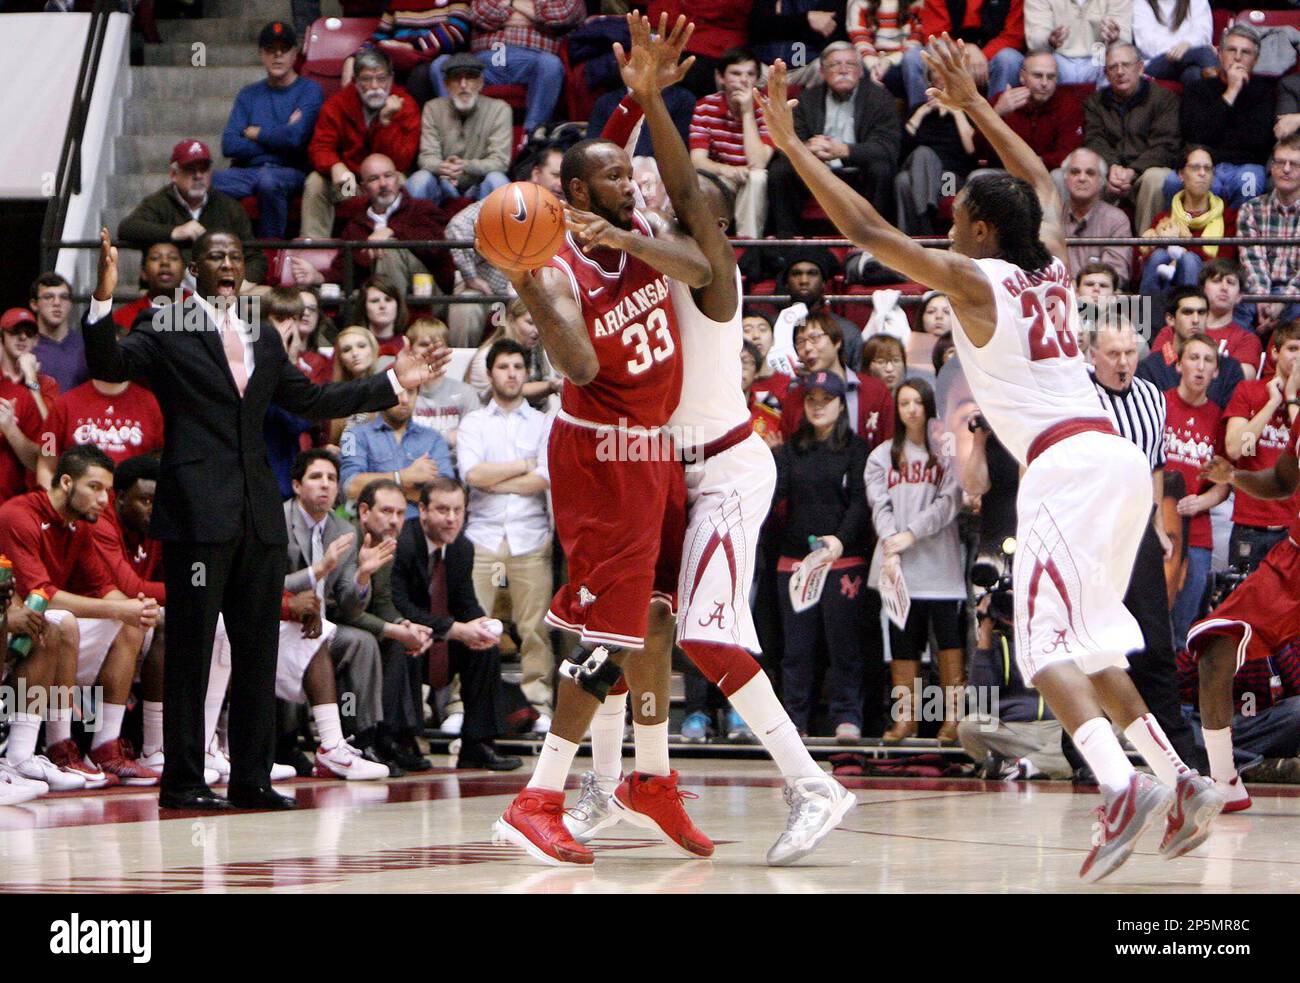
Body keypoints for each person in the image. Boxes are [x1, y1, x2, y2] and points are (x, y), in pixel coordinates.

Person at [756, 36, 1222, 880]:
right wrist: (974, 104)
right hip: (1114, 457)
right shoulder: (1045, 262)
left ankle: (1119, 787)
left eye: (959, 210)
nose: (950, 219)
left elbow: (864, 226)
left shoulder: (978, 280)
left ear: (978, 228)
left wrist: (789, 147)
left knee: (1040, 647)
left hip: (1065, 467)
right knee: (1093, 650)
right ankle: (1177, 777)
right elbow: (1040, 182)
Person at [561, 18, 857, 867]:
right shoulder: (638, 261)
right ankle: (612, 781)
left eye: (667, 201)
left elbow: (686, 196)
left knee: (707, 636)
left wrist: (662, 113)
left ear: (709, 225)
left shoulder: (714, 272)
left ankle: (814, 784)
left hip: (727, 466)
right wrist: (640, 98)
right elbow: (591, 176)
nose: (649, 199)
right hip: (664, 469)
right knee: (628, 622)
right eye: (641, 197)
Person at [82, 226, 449, 811]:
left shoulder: (260, 332)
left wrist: (393, 379)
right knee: (192, 651)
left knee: (257, 649)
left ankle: (252, 777)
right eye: (214, 256)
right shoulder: (167, 323)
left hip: (259, 514)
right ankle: (182, 780)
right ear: (194, 268)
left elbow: (310, 401)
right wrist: (102, 300)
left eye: (234, 255)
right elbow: (110, 359)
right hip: (199, 514)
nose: (226, 264)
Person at [490, 119, 715, 861]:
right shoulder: (556, 269)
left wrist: (645, 98)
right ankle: (538, 795)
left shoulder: (637, 226)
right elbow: (582, 366)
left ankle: (650, 777)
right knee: (610, 631)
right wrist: (533, 294)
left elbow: (701, 268)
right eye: (617, 176)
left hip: (652, 447)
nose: (634, 183)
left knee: (654, 615)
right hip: (599, 455)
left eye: (632, 173)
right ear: (580, 190)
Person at [1087, 320, 1213, 775]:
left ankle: (1179, 754)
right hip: (1089, 534)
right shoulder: (1078, 397)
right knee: (1092, 645)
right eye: (1113, 354)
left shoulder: (1150, 397)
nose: (1123, 362)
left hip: (1136, 530)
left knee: (1154, 643)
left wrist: (1159, 524)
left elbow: (1156, 464)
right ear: (1093, 356)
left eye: (1129, 353)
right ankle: (1087, 753)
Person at [0, 445, 160, 788]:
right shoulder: (20, 515)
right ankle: (52, 748)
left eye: (108, 490)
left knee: (128, 626)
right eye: (95, 487)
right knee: (60, 622)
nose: (104, 500)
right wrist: (120, 607)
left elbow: (103, 587)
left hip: (39, 628)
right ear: (67, 482)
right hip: (17, 624)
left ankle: (104, 748)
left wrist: (137, 609)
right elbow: (42, 596)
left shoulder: (80, 525)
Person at [1189, 420, 1300, 812]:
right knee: (1215, 648)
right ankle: (1225, 781)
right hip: (1293, 561)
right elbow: (1284, 481)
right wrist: (1234, 476)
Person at [391, 477, 521, 770]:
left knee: (484, 648)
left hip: (441, 635)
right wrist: (454, 630)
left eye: (457, 511)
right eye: (442, 510)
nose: (451, 519)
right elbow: (400, 605)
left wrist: (480, 624)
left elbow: (464, 600)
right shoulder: (404, 542)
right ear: (422, 510)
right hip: (409, 629)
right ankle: (403, 741)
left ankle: (478, 744)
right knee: (404, 643)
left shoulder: (462, 547)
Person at [457, 339, 555, 725]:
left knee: (534, 629)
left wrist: (496, 479)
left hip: (530, 536)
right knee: (471, 626)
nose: (512, 373)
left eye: (518, 366)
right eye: (503, 367)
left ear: (527, 373)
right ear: (491, 374)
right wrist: (523, 464)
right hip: (481, 536)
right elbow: (472, 475)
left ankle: (539, 703)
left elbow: (545, 479)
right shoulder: (474, 422)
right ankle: (462, 706)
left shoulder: (544, 422)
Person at [773, 372, 874, 740]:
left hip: (842, 561)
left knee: (844, 645)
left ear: (840, 404)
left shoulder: (856, 449)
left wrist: (841, 541)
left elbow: (861, 501)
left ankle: (848, 714)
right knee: (796, 649)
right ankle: (793, 719)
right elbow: (776, 496)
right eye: (811, 399)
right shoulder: (789, 450)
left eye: (826, 399)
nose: (818, 406)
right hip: (795, 561)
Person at [282, 449, 397, 771]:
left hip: (325, 624)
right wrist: (320, 569)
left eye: (332, 479)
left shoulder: (344, 530)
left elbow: (347, 604)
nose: (326, 485)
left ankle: (363, 737)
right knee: (301, 642)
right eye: (316, 477)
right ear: (296, 485)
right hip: (281, 621)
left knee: (361, 642)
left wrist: (362, 575)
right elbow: (266, 584)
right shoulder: (278, 520)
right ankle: (287, 741)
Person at [866, 377, 965, 741]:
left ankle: (952, 718)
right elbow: (880, 504)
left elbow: (949, 503)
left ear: (929, 407)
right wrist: (893, 540)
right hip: (899, 567)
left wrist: (912, 533)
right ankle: (906, 719)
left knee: (949, 644)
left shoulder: (949, 454)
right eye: (904, 403)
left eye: (917, 403)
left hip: (941, 566)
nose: (911, 410)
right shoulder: (880, 456)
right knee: (903, 644)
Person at [339, 477, 435, 772]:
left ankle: (394, 735)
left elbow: (382, 601)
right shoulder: (347, 539)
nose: (395, 520)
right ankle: (366, 737)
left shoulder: (386, 545)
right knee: (378, 641)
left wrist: (403, 623)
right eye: (387, 512)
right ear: (365, 511)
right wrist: (393, 629)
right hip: (332, 622)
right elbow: (342, 610)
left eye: (400, 513)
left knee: (406, 643)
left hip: (359, 622)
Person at [766, 42, 902, 238]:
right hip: (817, 173)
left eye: (851, 64)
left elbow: (888, 148)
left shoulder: (880, 99)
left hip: (859, 173)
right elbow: (787, 141)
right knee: (780, 170)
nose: (843, 70)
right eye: (835, 65)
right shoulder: (807, 99)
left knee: (881, 168)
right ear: (822, 72)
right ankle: (787, 244)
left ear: (861, 72)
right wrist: (808, 149)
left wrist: (843, 150)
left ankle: (878, 243)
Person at [443, 145, 565, 347]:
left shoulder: (566, 211)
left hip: (537, 297)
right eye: (555, 175)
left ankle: (551, 375)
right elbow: (458, 226)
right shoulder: (512, 199)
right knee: (467, 304)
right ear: (536, 173)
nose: (560, 184)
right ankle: (461, 365)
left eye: (564, 178)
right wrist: (470, 277)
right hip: (494, 293)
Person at [212, 21, 324, 239]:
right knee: (204, 182)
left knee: (269, 182)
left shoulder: (309, 90)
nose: (277, 56)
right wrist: (282, 134)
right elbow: (229, 144)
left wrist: (255, 133)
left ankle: (271, 252)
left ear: (295, 53)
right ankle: (218, 251)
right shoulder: (249, 94)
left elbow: (296, 139)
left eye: (284, 50)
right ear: (261, 54)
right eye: (270, 50)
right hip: (247, 172)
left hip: (291, 171)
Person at [299, 156, 455, 305]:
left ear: (398, 179)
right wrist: (318, 276)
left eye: (388, 176)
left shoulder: (422, 208)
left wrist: (393, 231)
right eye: (374, 179)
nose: (383, 183)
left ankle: (393, 325)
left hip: (427, 298)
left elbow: (439, 247)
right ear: (363, 187)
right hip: (376, 301)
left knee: (389, 250)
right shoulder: (356, 225)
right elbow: (346, 271)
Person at [302, 49, 421, 239]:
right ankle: (315, 248)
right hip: (350, 184)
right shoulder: (338, 104)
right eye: (366, 79)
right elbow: (320, 146)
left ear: (391, 78)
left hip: (383, 182)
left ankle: (392, 245)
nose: (375, 86)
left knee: (404, 182)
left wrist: (386, 123)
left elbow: (402, 162)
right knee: (315, 182)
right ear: (355, 81)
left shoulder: (405, 105)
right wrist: (334, 165)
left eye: (381, 78)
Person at [1161, 334, 1230, 651]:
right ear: (1179, 364)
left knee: (1185, 625)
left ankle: (1183, 698)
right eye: (1193, 358)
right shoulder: (1158, 403)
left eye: (1208, 361)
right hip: (1156, 526)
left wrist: (1203, 500)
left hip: (1198, 533)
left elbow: (1223, 483)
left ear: (1216, 371)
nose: (1200, 367)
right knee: (1152, 620)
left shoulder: (1219, 418)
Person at [118, 141, 267, 286]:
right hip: (172, 290)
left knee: (260, 298)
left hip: (220, 288)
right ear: (174, 175)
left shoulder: (229, 207)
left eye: (204, 169)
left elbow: (255, 257)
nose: (198, 176)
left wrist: (242, 282)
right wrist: (176, 232)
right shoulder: (159, 203)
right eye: (191, 170)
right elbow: (127, 229)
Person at [429, 0, 585, 135]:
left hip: (533, 60)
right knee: (441, 65)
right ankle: (455, 133)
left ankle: (531, 136)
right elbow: (481, 13)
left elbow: (561, 16)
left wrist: (509, 4)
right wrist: (533, 14)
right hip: (485, 63)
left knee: (551, 64)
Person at [1221, 321, 1300, 573]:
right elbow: (1236, 449)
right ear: (1275, 352)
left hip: (1293, 528)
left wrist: (1290, 399)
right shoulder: (1249, 391)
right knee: (1244, 609)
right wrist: (1270, 404)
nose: (1299, 357)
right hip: (1250, 527)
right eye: (1293, 348)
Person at [1082, 42, 1182, 236]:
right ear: (1106, 72)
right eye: (1113, 67)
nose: (1120, 72)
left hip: (1144, 173)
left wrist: (1133, 171)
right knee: (1073, 175)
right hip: (1109, 173)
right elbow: (1094, 140)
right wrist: (1112, 167)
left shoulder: (1164, 99)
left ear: (1140, 68)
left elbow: (1166, 145)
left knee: (1157, 178)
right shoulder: (1094, 102)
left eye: (1126, 65)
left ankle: (1147, 249)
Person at [1175, 25, 1276, 209]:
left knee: (1250, 181)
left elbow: (1259, 141)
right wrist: (1231, 91)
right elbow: (1196, 136)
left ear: (1255, 60)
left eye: (1245, 52)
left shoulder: (1264, 92)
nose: (1238, 57)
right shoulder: (1197, 89)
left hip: (1246, 166)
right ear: (1219, 54)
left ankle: (1244, 237)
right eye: (1231, 50)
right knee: (1172, 182)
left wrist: (1217, 136)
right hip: (1205, 164)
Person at [687, 47, 775, 238]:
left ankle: (748, 245)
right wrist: (725, 170)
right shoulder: (705, 106)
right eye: (736, 73)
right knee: (695, 179)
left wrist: (747, 112)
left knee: (757, 177)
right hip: (721, 177)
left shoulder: (768, 109)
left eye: (750, 74)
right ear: (721, 78)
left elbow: (758, 162)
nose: (744, 80)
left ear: (756, 80)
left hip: (753, 179)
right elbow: (697, 160)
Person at [33, 363, 165, 490]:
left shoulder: (153, 406)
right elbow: (45, 463)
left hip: (132, 507)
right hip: (75, 507)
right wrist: (55, 507)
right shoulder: (63, 405)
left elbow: (164, 464)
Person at [407, 53, 511, 206]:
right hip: (443, 184)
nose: (463, 85)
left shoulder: (499, 109)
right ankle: (410, 228)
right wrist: (443, 167)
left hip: (479, 185)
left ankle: (499, 228)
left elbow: (500, 162)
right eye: (456, 78)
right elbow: (426, 158)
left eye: (470, 77)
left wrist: (464, 165)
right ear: (447, 84)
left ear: (481, 82)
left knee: (498, 180)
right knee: (419, 179)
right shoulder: (433, 108)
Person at [779, 312, 895, 446]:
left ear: (837, 341)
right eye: (800, 342)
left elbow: (889, 446)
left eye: (815, 338)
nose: (807, 348)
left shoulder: (875, 391)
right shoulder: (794, 400)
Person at [340, 386, 454, 518]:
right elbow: (351, 486)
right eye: (398, 392)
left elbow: (446, 495)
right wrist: (404, 477)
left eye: (411, 392)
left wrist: (389, 486)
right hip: (374, 526)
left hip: (421, 526)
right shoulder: (353, 435)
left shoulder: (433, 438)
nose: (405, 399)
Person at [1139, 146, 1236, 298]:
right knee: (1158, 256)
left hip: (1207, 283)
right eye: (1195, 167)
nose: (1202, 173)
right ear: (1181, 174)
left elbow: (1224, 263)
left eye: (1208, 168)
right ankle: (1149, 320)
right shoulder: (1164, 218)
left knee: (1189, 260)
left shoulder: (1227, 217)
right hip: (1165, 286)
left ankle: (1191, 314)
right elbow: (1144, 258)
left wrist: (1184, 248)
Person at [901, 0, 1026, 107]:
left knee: (1010, 59)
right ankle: (922, 123)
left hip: (993, 54)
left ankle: (997, 124)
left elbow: (1014, 35)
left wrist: (983, 55)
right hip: (952, 50)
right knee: (913, 58)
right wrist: (965, 52)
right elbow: (935, 33)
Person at [1137, 287, 1245, 409]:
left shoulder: (1229, 369)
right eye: (1187, 312)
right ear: (1170, 319)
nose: (1195, 320)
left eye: (1201, 313)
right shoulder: (1148, 369)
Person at [1236, 134, 1300, 333]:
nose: (1286, 169)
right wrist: (1262, 299)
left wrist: (1282, 301)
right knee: (1232, 303)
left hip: (1294, 293)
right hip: (1258, 289)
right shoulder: (1251, 209)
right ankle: (1241, 358)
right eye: (1280, 162)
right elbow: (1253, 261)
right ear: (1272, 167)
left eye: (1294, 164)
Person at [981, 50, 1083, 173]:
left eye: (1051, 77)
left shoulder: (1068, 105)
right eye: (1038, 76)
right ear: (1022, 77)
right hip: (1007, 172)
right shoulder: (1002, 100)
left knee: (1060, 176)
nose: (1045, 83)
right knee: (978, 176)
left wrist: (1033, 163)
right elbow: (979, 151)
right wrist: (997, 114)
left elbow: (1068, 155)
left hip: (1048, 173)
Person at [465, 297, 560, 405]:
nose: (537, 331)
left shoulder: (540, 353)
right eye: (530, 323)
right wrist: (550, 386)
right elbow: (505, 392)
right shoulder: (487, 355)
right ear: (511, 320)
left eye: (541, 324)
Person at [1060, 147, 1134, 287]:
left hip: (1100, 300)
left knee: (1130, 304)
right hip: (1060, 299)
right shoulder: (1052, 218)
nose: (1082, 178)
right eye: (1075, 172)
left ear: (1101, 181)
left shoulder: (1117, 220)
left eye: (1090, 173)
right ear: (1065, 178)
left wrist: (1082, 290)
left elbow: (1116, 274)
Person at [0, 309, 53, 501]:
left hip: (24, 495)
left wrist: (31, 380)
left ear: (36, 341)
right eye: (15, 331)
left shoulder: (46, 384)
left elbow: (51, 438)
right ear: (2, 336)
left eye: (29, 333)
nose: (22, 337)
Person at [405, 318, 481, 445]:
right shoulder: (400, 394)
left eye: (438, 344)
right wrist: (447, 438)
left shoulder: (465, 392)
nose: (431, 349)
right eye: (424, 344)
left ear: (447, 350)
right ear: (410, 351)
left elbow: (475, 437)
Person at [1025, 0, 1127, 85]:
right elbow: (1034, 41)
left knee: (1120, 60)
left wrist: (1115, 38)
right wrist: (1049, 40)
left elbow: (1125, 40)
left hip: (1098, 55)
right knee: (1033, 62)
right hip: (1057, 56)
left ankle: (1105, 107)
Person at [1198, 259, 1260, 379]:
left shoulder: (1248, 340)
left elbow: (1242, 378)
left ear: (1239, 296)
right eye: (1216, 281)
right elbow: (1157, 369)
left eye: (1230, 282)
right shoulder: (1176, 331)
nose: (1224, 287)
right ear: (1203, 290)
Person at [28, 272, 86, 394]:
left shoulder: (85, 345)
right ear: (34, 304)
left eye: (64, 297)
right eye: (49, 297)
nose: (57, 303)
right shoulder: (25, 346)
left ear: (70, 304)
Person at [1134, 0, 1216, 86]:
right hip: (1155, 63)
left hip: (1191, 60)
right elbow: (1147, 44)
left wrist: (1187, 44)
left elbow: (1204, 32)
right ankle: (1222, 95)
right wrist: (1184, 48)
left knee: (1193, 74)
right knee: (1204, 53)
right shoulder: (1141, 2)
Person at [111, 242, 186, 333]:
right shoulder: (122, 318)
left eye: (173, 258)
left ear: (184, 271)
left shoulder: (202, 310)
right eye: (155, 258)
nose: (165, 262)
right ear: (143, 272)